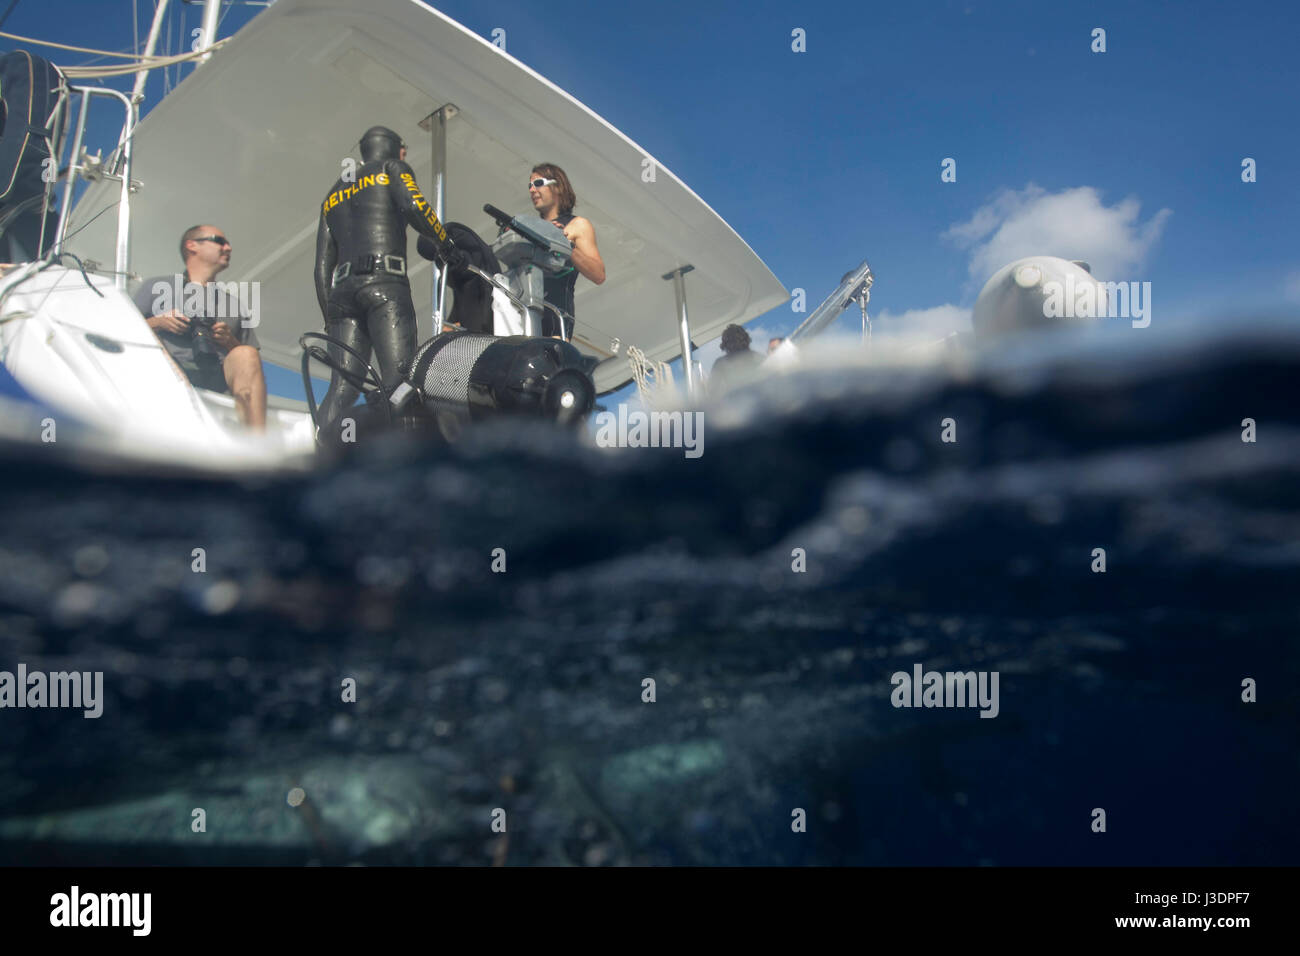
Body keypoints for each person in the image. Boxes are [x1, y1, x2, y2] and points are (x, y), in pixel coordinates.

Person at [313, 125, 463, 433]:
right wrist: (445, 243)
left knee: (343, 387)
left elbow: (321, 267)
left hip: (341, 294)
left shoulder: (333, 192)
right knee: (400, 381)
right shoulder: (392, 168)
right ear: (398, 149)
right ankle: (405, 461)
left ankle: (322, 455)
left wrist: (330, 317)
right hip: (384, 283)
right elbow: (414, 205)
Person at [134, 225, 267, 429]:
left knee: (246, 353)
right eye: (220, 241)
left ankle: (257, 445)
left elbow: (251, 362)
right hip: (166, 374)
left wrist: (229, 340)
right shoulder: (156, 286)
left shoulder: (234, 304)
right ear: (192, 246)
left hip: (217, 379)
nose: (229, 248)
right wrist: (158, 322)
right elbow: (122, 327)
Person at [526, 163, 604, 338]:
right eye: (529, 185)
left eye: (538, 183)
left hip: (556, 322)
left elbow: (599, 274)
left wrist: (565, 244)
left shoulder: (578, 225)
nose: (532, 190)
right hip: (523, 315)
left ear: (558, 186)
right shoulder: (530, 228)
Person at [709, 323, 764, 392]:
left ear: (725, 343)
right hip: (759, 399)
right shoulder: (758, 357)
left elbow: (713, 390)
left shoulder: (721, 363)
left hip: (734, 400)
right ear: (746, 339)